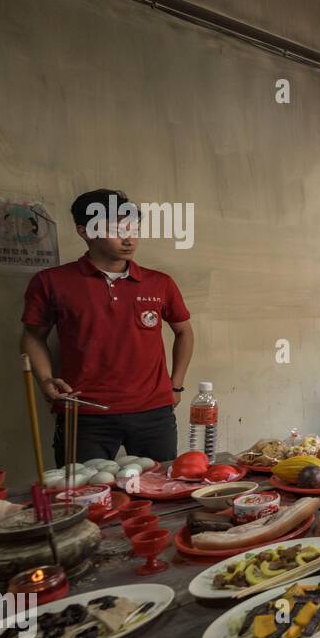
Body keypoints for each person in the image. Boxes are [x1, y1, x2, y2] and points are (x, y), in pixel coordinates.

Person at [21, 188, 194, 465]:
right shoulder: (51, 282)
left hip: (153, 412)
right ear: (85, 231)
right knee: (83, 496)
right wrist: (44, 380)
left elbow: (184, 331)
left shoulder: (159, 283)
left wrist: (176, 386)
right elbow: (33, 336)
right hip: (84, 411)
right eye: (116, 229)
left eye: (133, 228)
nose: (129, 238)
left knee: (160, 489)